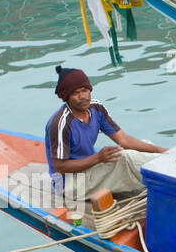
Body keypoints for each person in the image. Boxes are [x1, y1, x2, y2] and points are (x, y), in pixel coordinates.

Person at [45, 66, 166, 212]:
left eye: (85, 90)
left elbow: (124, 139)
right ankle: (168, 181)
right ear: (67, 97)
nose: (82, 96)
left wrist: (161, 151)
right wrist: (98, 158)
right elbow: (60, 167)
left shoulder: (96, 108)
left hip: (89, 168)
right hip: (68, 183)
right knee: (125, 158)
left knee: (146, 145)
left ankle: (164, 169)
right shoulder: (60, 123)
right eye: (76, 93)